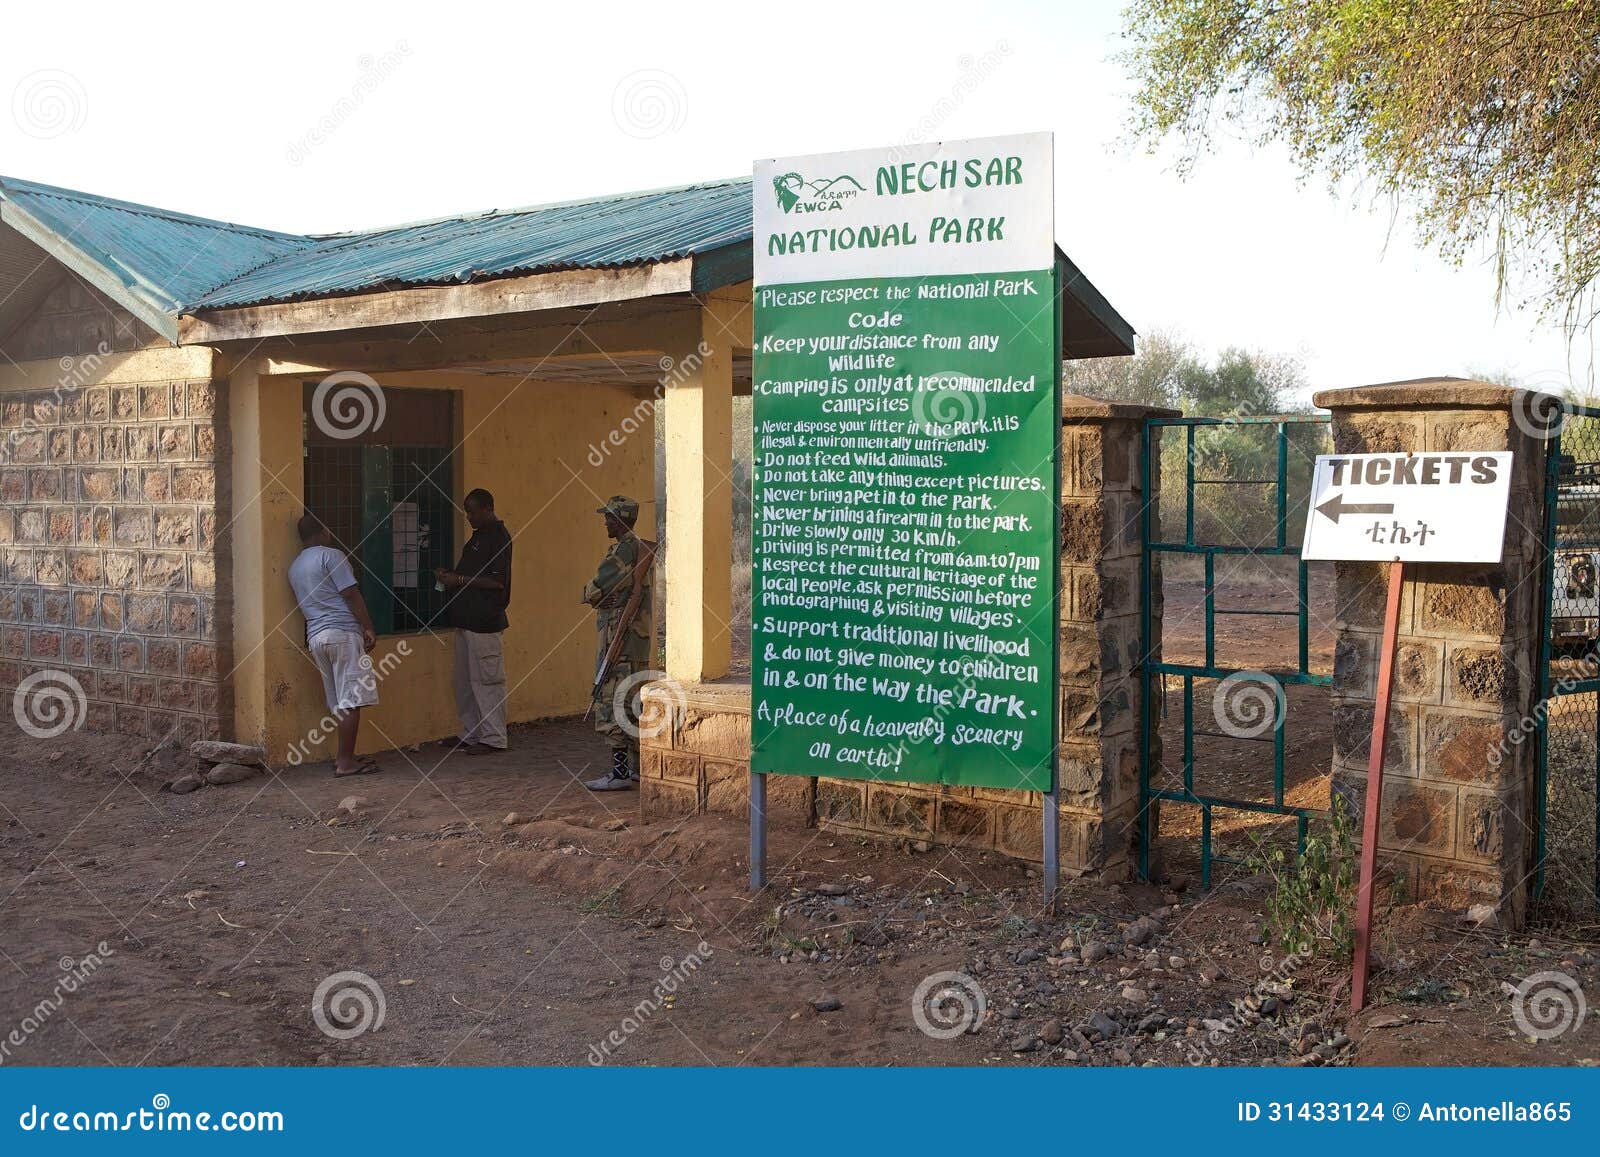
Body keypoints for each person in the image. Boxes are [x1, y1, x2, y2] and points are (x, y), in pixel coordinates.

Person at [288, 513, 380, 777]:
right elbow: (350, 593)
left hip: (316, 636)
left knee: (339, 701)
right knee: (351, 699)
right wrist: (368, 626)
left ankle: (344, 756)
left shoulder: (295, 566)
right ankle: (345, 762)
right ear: (324, 531)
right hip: (341, 632)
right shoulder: (331, 555)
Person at [582, 495, 654, 791]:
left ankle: (620, 772)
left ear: (622, 520)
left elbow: (595, 589)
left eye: (610, 517)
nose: (606, 521)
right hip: (635, 639)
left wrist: (589, 596)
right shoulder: (639, 549)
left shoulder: (624, 551)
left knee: (613, 702)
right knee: (632, 703)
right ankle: (636, 769)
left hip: (619, 639)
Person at [435, 488, 513, 754]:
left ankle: (493, 737)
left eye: (472, 511)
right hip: (466, 621)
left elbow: (496, 581)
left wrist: (458, 580)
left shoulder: (498, 538)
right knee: (465, 682)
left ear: (487, 508)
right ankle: (470, 732)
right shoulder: (478, 538)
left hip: (485, 622)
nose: (468, 516)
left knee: (488, 681)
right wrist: (452, 577)